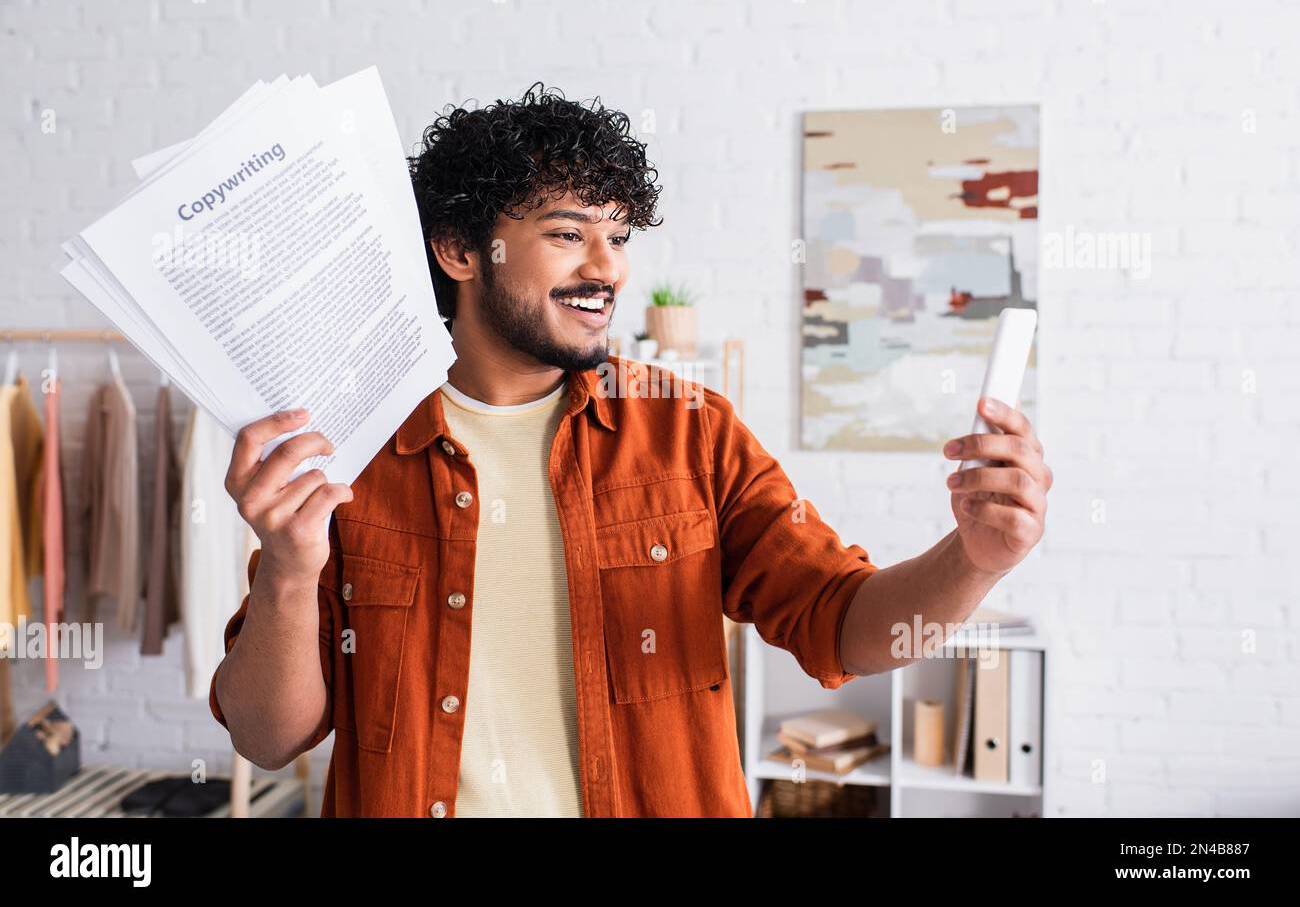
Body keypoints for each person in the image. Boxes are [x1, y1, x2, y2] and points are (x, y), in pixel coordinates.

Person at [209, 82, 1052, 817]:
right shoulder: (350, 453)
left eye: (619, 237)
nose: (605, 269)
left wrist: (975, 559)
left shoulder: (692, 432)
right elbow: (266, 737)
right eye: (569, 235)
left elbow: (848, 629)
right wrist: (287, 569)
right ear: (460, 250)